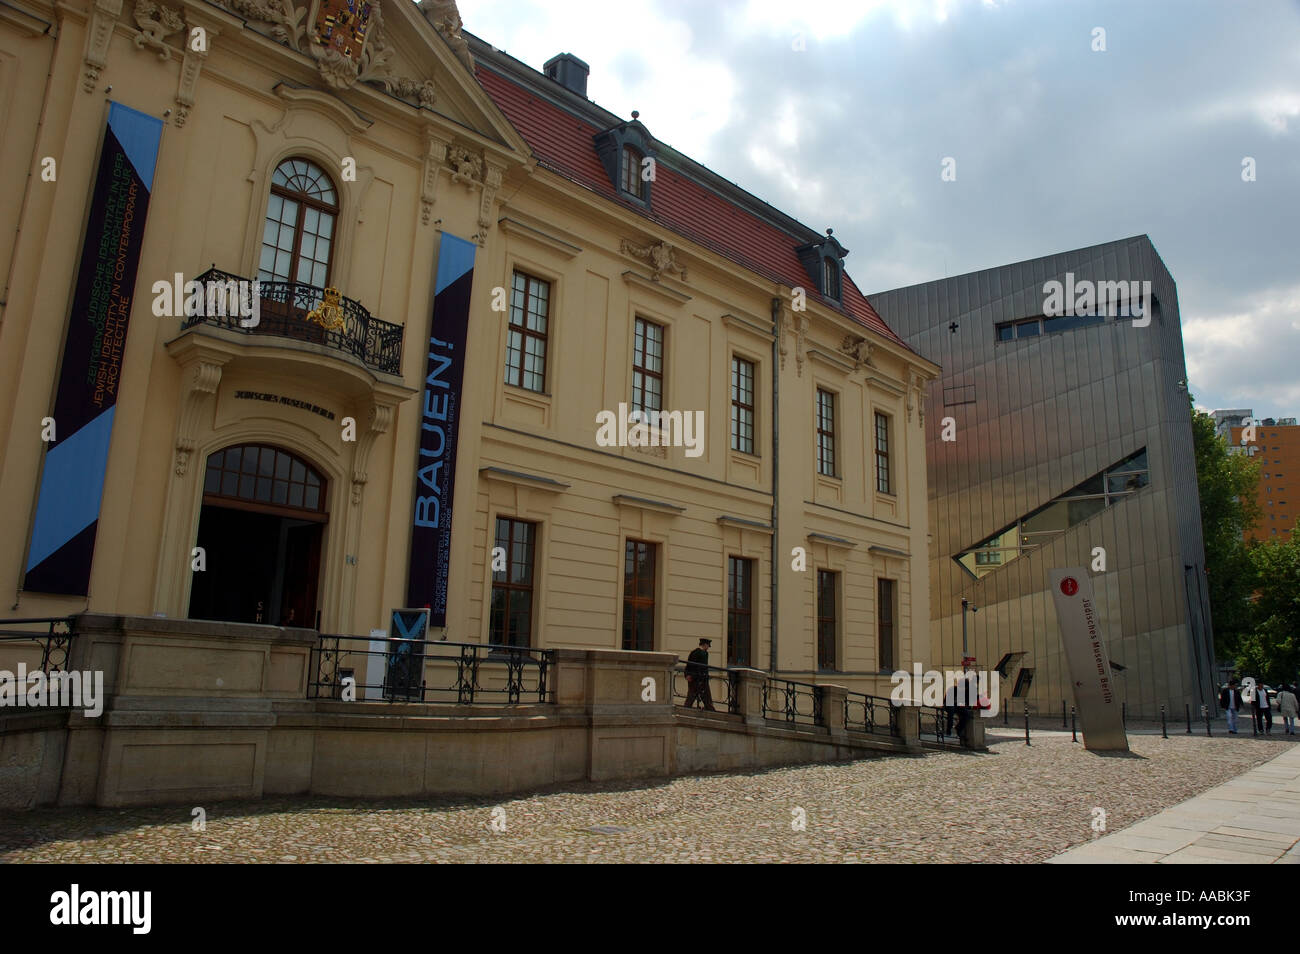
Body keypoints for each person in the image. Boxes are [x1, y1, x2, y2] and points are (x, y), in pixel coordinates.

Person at [684, 638, 716, 711]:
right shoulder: (702, 653)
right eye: (708, 645)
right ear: (705, 645)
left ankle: (686, 708)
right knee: (704, 694)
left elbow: (689, 665)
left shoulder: (694, 652)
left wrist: (687, 675)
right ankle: (710, 709)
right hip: (699, 677)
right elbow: (700, 667)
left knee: (692, 694)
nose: (708, 647)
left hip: (696, 677)